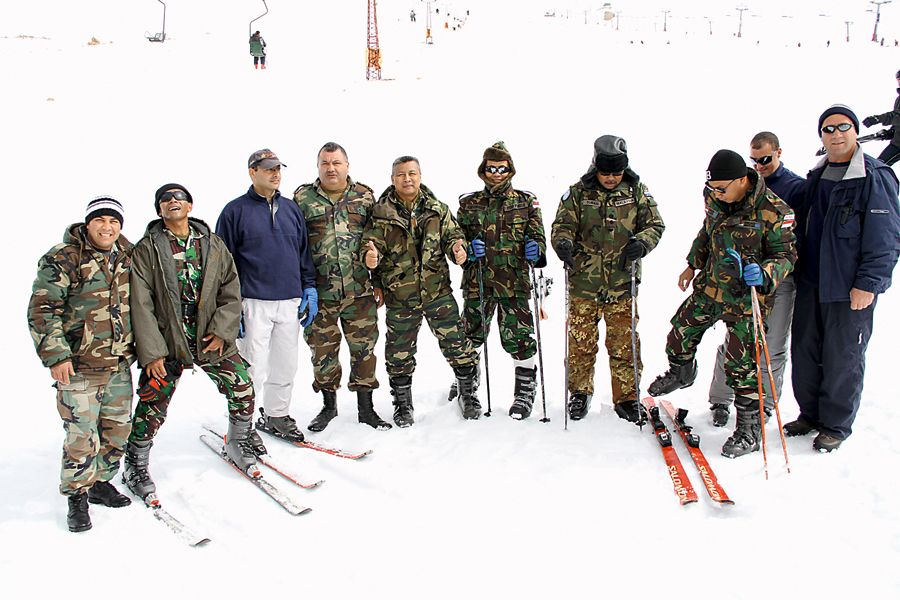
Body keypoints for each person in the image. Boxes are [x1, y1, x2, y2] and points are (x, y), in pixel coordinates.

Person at [647, 149, 796, 459]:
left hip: (746, 299)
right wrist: (692, 264)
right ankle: (681, 372)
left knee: (740, 366)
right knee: (680, 333)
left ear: (742, 180)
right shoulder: (715, 197)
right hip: (711, 287)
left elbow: (786, 255)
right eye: (712, 188)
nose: (715, 194)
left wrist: (766, 272)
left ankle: (748, 430)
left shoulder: (774, 211)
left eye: (721, 189)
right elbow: (708, 231)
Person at [123, 184, 263, 502]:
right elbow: (141, 303)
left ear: (190, 206)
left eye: (179, 197)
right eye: (165, 199)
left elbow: (230, 288)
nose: (173, 201)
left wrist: (222, 331)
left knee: (242, 385)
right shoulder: (146, 249)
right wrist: (152, 353)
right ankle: (136, 463)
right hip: (168, 341)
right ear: (159, 210)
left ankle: (238, 440)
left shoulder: (212, 244)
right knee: (153, 403)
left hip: (209, 337)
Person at [778, 105, 900, 452]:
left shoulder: (874, 176)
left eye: (843, 127)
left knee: (842, 356)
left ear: (855, 131)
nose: (835, 134)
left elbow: (886, 237)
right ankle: (810, 414)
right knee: (805, 350)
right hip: (811, 281)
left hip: (848, 288)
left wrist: (868, 284)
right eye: (828, 129)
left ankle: (835, 424)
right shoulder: (818, 175)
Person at [28, 197, 135, 532]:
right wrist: (57, 355)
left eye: (114, 221)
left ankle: (100, 483)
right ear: (88, 224)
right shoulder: (64, 257)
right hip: (79, 366)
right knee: (81, 435)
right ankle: (76, 496)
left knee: (117, 431)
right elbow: (43, 309)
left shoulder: (128, 255)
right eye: (100, 220)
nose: (107, 227)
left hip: (118, 362)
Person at [551, 135, 665, 424]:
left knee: (624, 343)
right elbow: (562, 224)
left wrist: (643, 243)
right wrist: (562, 242)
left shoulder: (637, 191)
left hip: (622, 282)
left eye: (617, 173)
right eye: (606, 173)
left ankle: (626, 398)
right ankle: (580, 393)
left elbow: (655, 224)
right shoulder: (578, 193)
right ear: (595, 168)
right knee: (581, 342)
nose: (611, 178)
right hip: (584, 282)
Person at [360, 156, 479, 427]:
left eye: (412, 173)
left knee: (457, 344)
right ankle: (402, 403)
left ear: (420, 176)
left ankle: (467, 393)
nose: (407, 179)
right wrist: (370, 257)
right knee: (399, 353)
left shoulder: (437, 209)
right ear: (393, 179)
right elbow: (370, 243)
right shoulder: (381, 213)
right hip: (401, 296)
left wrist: (458, 249)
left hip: (437, 292)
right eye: (401, 174)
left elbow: (453, 236)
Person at [216, 149, 318, 443]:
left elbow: (303, 252)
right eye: (268, 169)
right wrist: (228, 307)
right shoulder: (234, 211)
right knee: (252, 367)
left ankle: (277, 415)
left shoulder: (291, 209)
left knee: (286, 364)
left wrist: (308, 286)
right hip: (253, 301)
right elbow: (222, 264)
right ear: (253, 172)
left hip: (288, 300)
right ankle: (242, 425)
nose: (275, 174)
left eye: (278, 169)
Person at [707, 132, 804, 427]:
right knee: (735, 340)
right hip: (741, 277)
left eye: (766, 159)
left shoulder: (795, 188)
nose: (760, 165)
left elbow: (792, 244)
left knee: (771, 344)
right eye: (755, 160)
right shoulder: (736, 187)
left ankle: (765, 404)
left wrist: (770, 270)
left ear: (778, 153)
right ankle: (720, 399)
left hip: (777, 278)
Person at [293, 143, 391, 432]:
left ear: (347, 165)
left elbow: (378, 240)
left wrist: (379, 281)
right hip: (319, 293)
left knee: (364, 350)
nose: (331, 168)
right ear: (318, 166)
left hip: (359, 291)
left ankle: (366, 409)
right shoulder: (302, 198)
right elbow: (295, 245)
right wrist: (301, 286)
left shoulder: (365, 196)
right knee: (322, 351)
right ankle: (328, 406)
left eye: (336, 162)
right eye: (325, 163)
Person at [455, 141, 547, 420]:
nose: (496, 174)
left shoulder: (525, 202)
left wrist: (536, 250)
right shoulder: (468, 203)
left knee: (519, 339)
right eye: (491, 168)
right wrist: (467, 250)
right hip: (478, 282)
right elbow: (454, 240)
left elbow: (539, 237)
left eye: (502, 169)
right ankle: (466, 386)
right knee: (470, 336)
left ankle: (524, 392)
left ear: (510, 170)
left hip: (514, 282)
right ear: (483, 170)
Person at [862, 70, 900, 166]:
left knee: (878, 167)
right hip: (897, 142)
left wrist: (878, 119)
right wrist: (891, 132)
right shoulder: (899, 99)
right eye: (898, 79)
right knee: (878, 166)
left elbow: (897, 116)